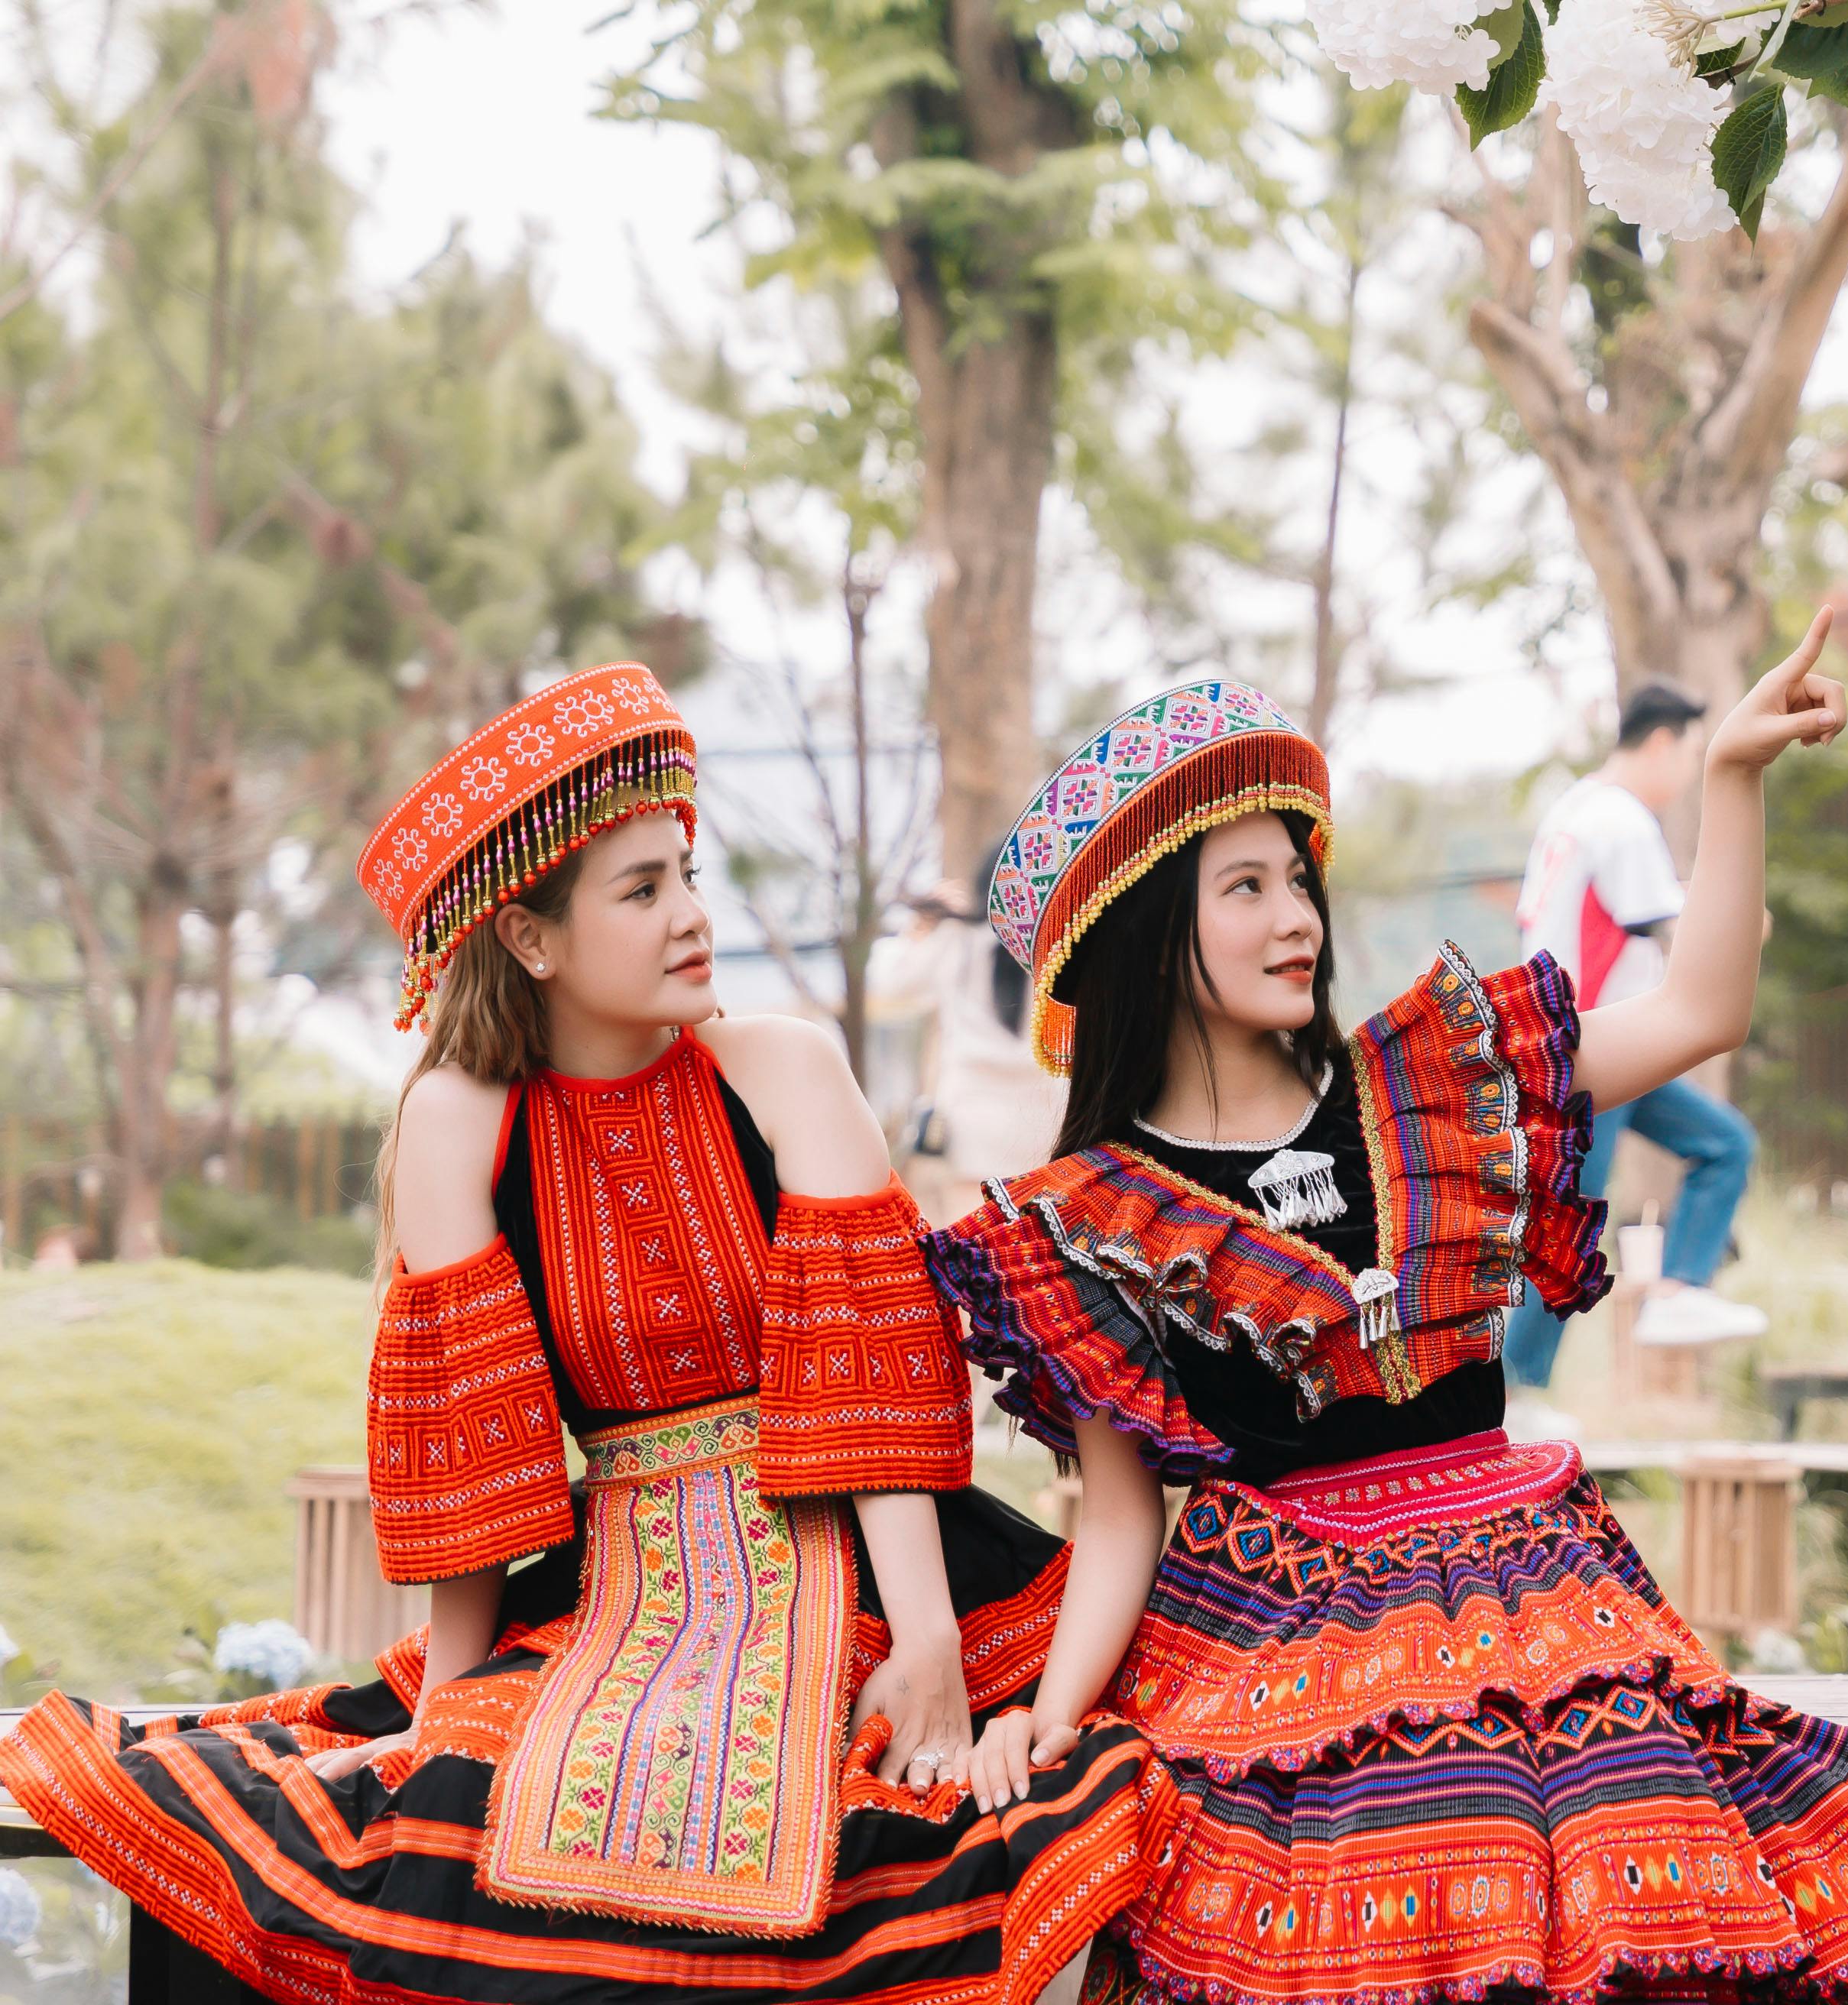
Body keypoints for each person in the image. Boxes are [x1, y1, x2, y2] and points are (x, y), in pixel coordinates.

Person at [0, 665, 1153, 2003]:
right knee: (431, 1821)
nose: (693, 916)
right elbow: (478, 1468)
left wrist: (928, 1638)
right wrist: (440, 1710)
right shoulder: (458, 1122)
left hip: (857, 1551)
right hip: (622, 1590)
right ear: (534, 939)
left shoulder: (782, 1066)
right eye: (642, 888)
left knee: (896, 1837)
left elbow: (871, 1385)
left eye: (687, 872)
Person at [922, 641, 1848, 2005]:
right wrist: (1047, 1715)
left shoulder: (1436, 1075)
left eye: (1297, 880)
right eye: (1247, 887)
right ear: (1152, 929)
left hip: (1537, 1593)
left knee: (1680, 1911)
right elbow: (1117, 1512)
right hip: (1285, 1637)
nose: (1296, 920)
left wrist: (1732, 777)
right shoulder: (1085, 1213)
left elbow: (1701, 1007)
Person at [1503, 679, 1769, 1430]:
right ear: (1660, 741)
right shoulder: (1620, 819)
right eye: (1689, 749)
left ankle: (1679, 1292)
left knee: (1724, 1145)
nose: (1690, 767)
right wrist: (1750, 921)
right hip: (1592, 1047)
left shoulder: (1576, 810)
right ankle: (1512, 1395)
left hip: (1604, 1039)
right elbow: (1681, 931)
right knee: (1569, 1221)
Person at [871, 856, 1068, 1222]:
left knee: (973, 1244)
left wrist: (922, 926)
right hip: (1042, 1122)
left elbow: (890, 982)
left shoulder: (957, 940)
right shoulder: (1058, 945)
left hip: (970, 1122)